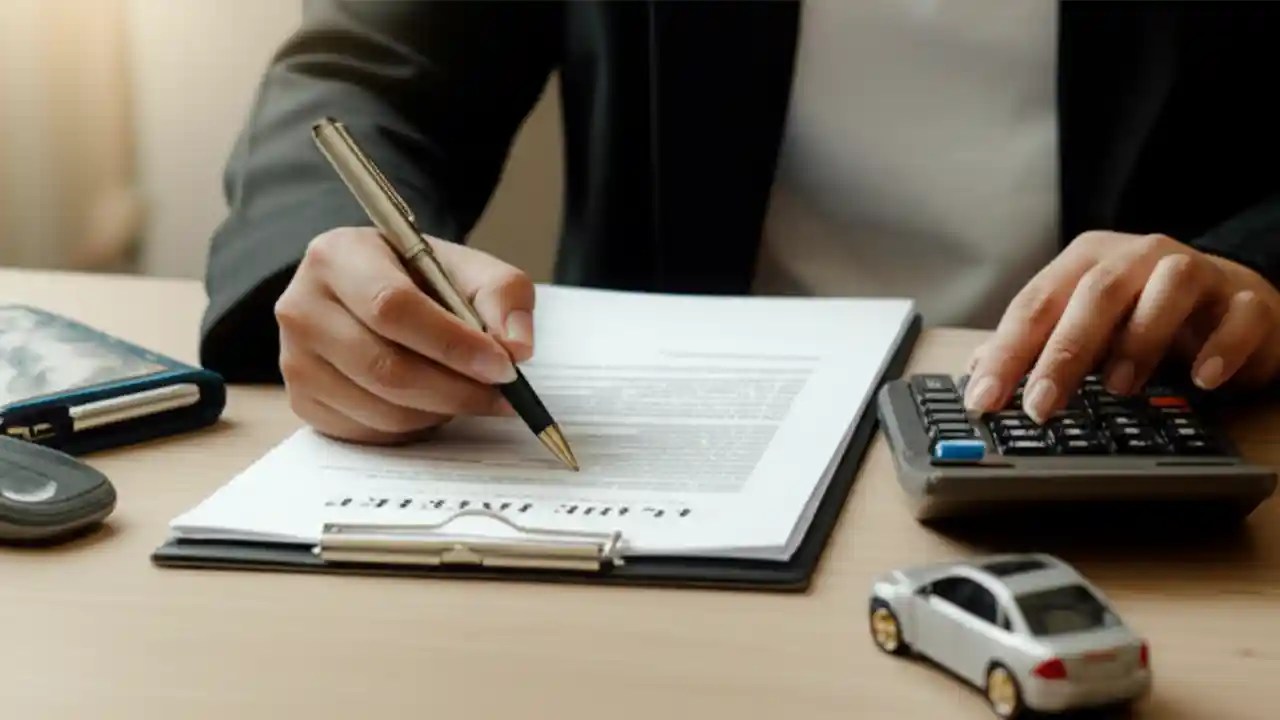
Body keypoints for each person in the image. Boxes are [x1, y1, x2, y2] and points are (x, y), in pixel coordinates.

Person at [200, 0, 1280, 446]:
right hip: (681, 444)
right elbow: (368, 69)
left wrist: (1254, 269)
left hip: (1137, 430)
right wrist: (347, 273)